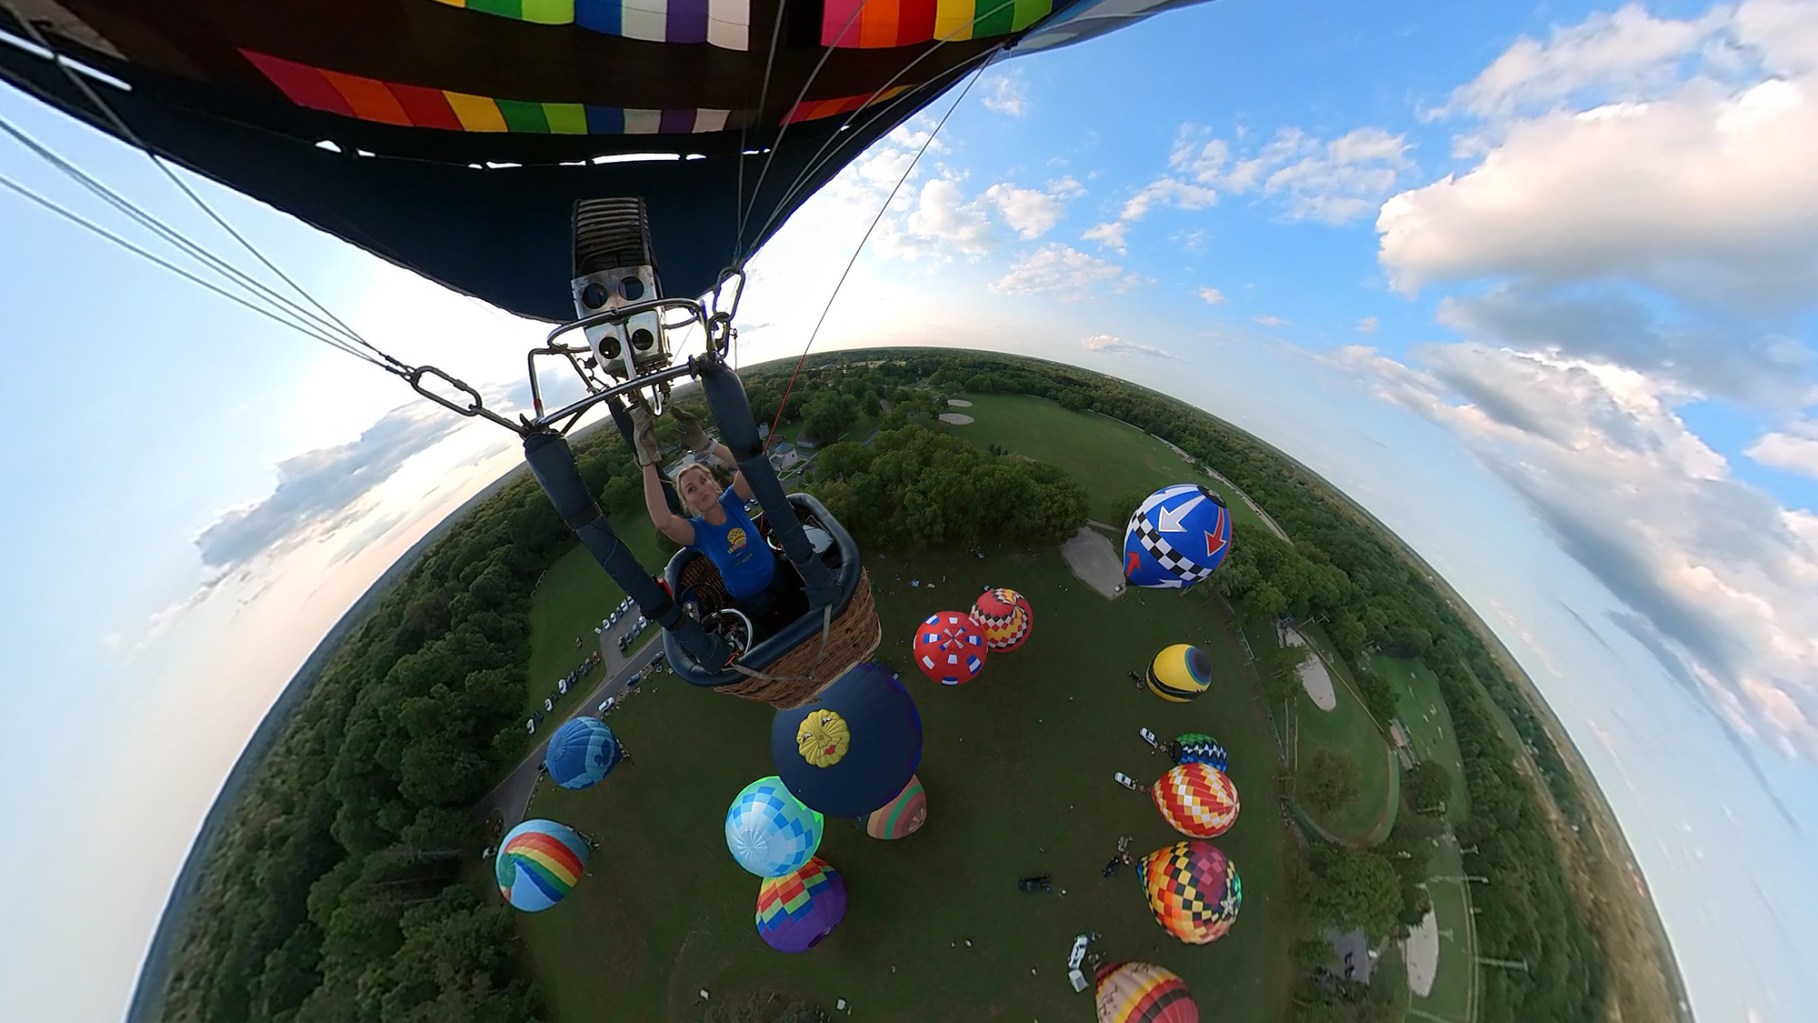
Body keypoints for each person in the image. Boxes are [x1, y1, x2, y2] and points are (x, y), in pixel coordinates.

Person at [631, 404, 794, 626]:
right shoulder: (697, 533)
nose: (700, 489)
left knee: (795, 605)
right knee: (775, 625)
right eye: (691, 490)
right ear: (687, 503)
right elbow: (663, 521)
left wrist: (708, 445)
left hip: (776, 575)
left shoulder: (732, 502)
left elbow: (751, 467)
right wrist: (647, 462)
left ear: (715, 485)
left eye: (703, 481)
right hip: (750, 598)